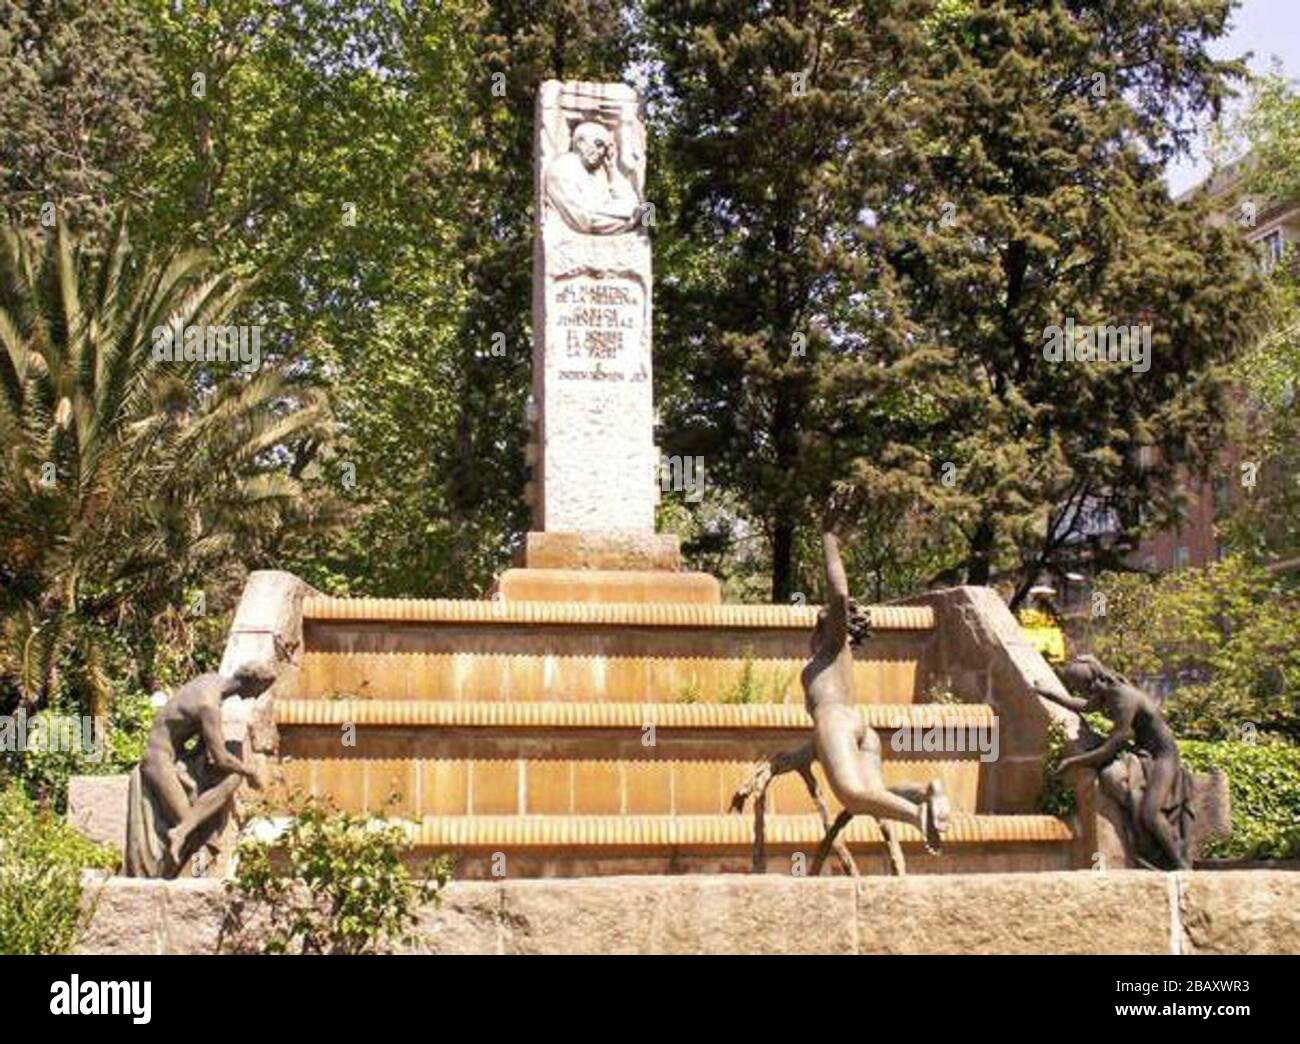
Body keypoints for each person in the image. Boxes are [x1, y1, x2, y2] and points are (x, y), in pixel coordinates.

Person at [804, 533, 950, 850]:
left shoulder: (831, 649)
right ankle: (924, 792)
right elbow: (821, 742)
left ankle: (918, 818)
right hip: (859, 728)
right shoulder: (839, 659)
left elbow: (840, 594)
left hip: (836, 723)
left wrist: (828, 541)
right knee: (874, 797)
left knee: (853, 797)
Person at [1033, 655, 1190, 869]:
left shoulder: (1124, 699)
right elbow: (1085, 707)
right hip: (1144, 751)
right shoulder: (1104, 690)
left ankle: (1180, 865)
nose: (1080, 693)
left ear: (1091, 683)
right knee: (1132, 798)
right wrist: (1049, 693)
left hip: (1163, 756)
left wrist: (1073, 762)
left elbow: (1110, 749)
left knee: (1149, 814)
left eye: (1080, 688)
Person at [138, 660, 275, 869]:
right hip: (158, 760)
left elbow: (197, 733)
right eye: (260, 690)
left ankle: (182, 838)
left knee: (231, 779)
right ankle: (187, 874)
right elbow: (220, 758)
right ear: (250, 682)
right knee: (192, 824)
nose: (257, 696)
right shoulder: (209, 706)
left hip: (177, 754)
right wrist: (251, 772)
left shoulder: (210, 680)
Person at [544, 120, 646, 234]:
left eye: (605, 148)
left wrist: (612, 170)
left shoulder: (598, 176)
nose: (601, 152)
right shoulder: (563, 168)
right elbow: (584, 220)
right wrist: (631, 220)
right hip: (570, 244)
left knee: (647, 211)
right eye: (598, 144)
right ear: (580, 142)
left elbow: (632, 204)